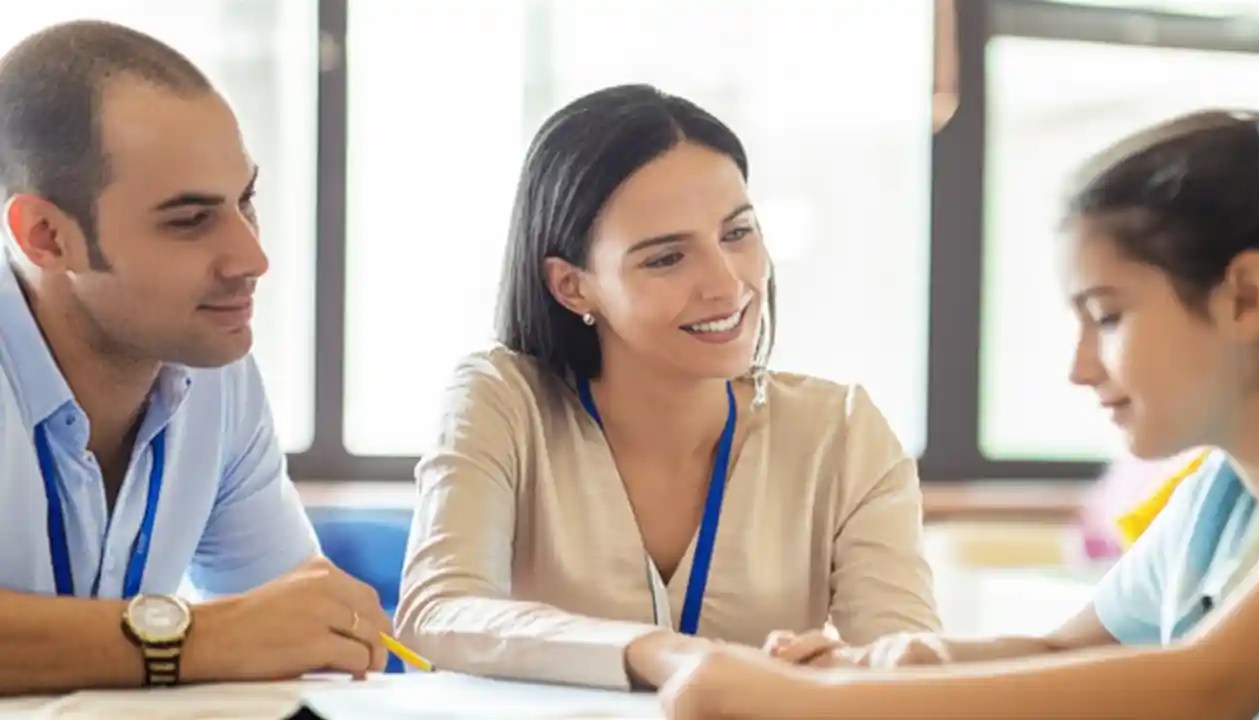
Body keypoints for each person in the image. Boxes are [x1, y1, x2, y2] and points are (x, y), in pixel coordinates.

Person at [659, 109, 1259, 719]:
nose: (1079, 368)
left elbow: (1208, 687)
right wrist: (890, 664)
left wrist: (813, 703)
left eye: (1108, 316)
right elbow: (1060, 652)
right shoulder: (1217, 499)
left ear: (1246, 299)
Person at [395, 84, 939, 691]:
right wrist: (659, 654)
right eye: (666, 259)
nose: (726, 285)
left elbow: (911, 671)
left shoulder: (841, 431)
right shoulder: (501, 400)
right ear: (573, 286)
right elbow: (436, 614)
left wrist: (852, 668)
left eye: (737, 233)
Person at [0, 21, 391, 695]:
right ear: (47, 237)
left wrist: (304, 630)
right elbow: (247, 631)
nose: (254, 259)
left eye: (246, 202)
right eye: (189, 220)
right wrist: (199, 637)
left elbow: (298, 629)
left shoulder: (217, 377)